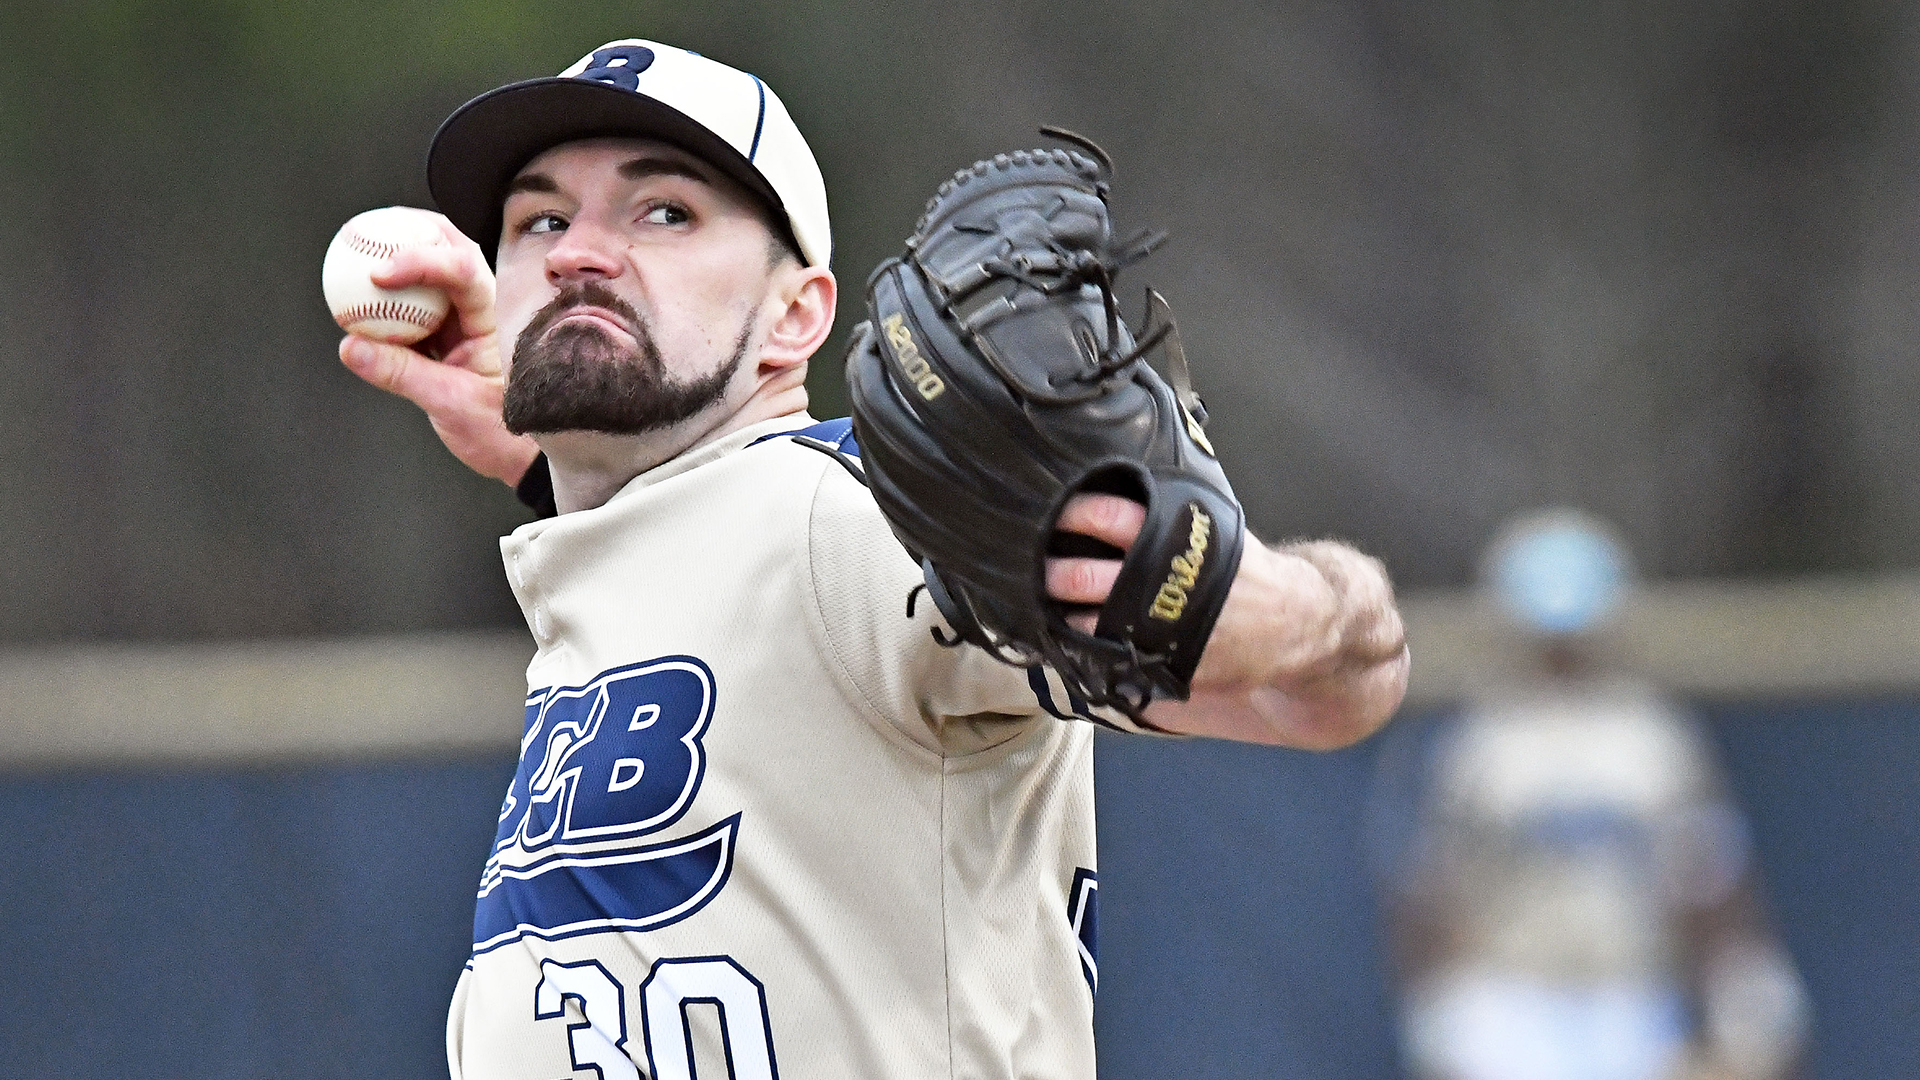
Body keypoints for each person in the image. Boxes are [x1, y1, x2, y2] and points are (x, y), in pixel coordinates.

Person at [338, 38, 1410, 1080]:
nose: (578, 251)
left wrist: (1274, 607)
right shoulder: (620, 556)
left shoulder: (841, 520)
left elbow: (1320, 695)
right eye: (540, 220)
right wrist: (553, 463)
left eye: (664, 211)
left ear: (794, 317)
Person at [1373, 510, 1808, 1080]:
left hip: (1629, 1001)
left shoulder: (1652, 740)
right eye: (1547, 637)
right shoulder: (1474, 746)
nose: (1562, 652)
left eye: (1573, 636)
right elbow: (1432, 892)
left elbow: (1707, 882)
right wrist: (1437, 1006)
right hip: (1509, 1004)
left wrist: (1745, 990)